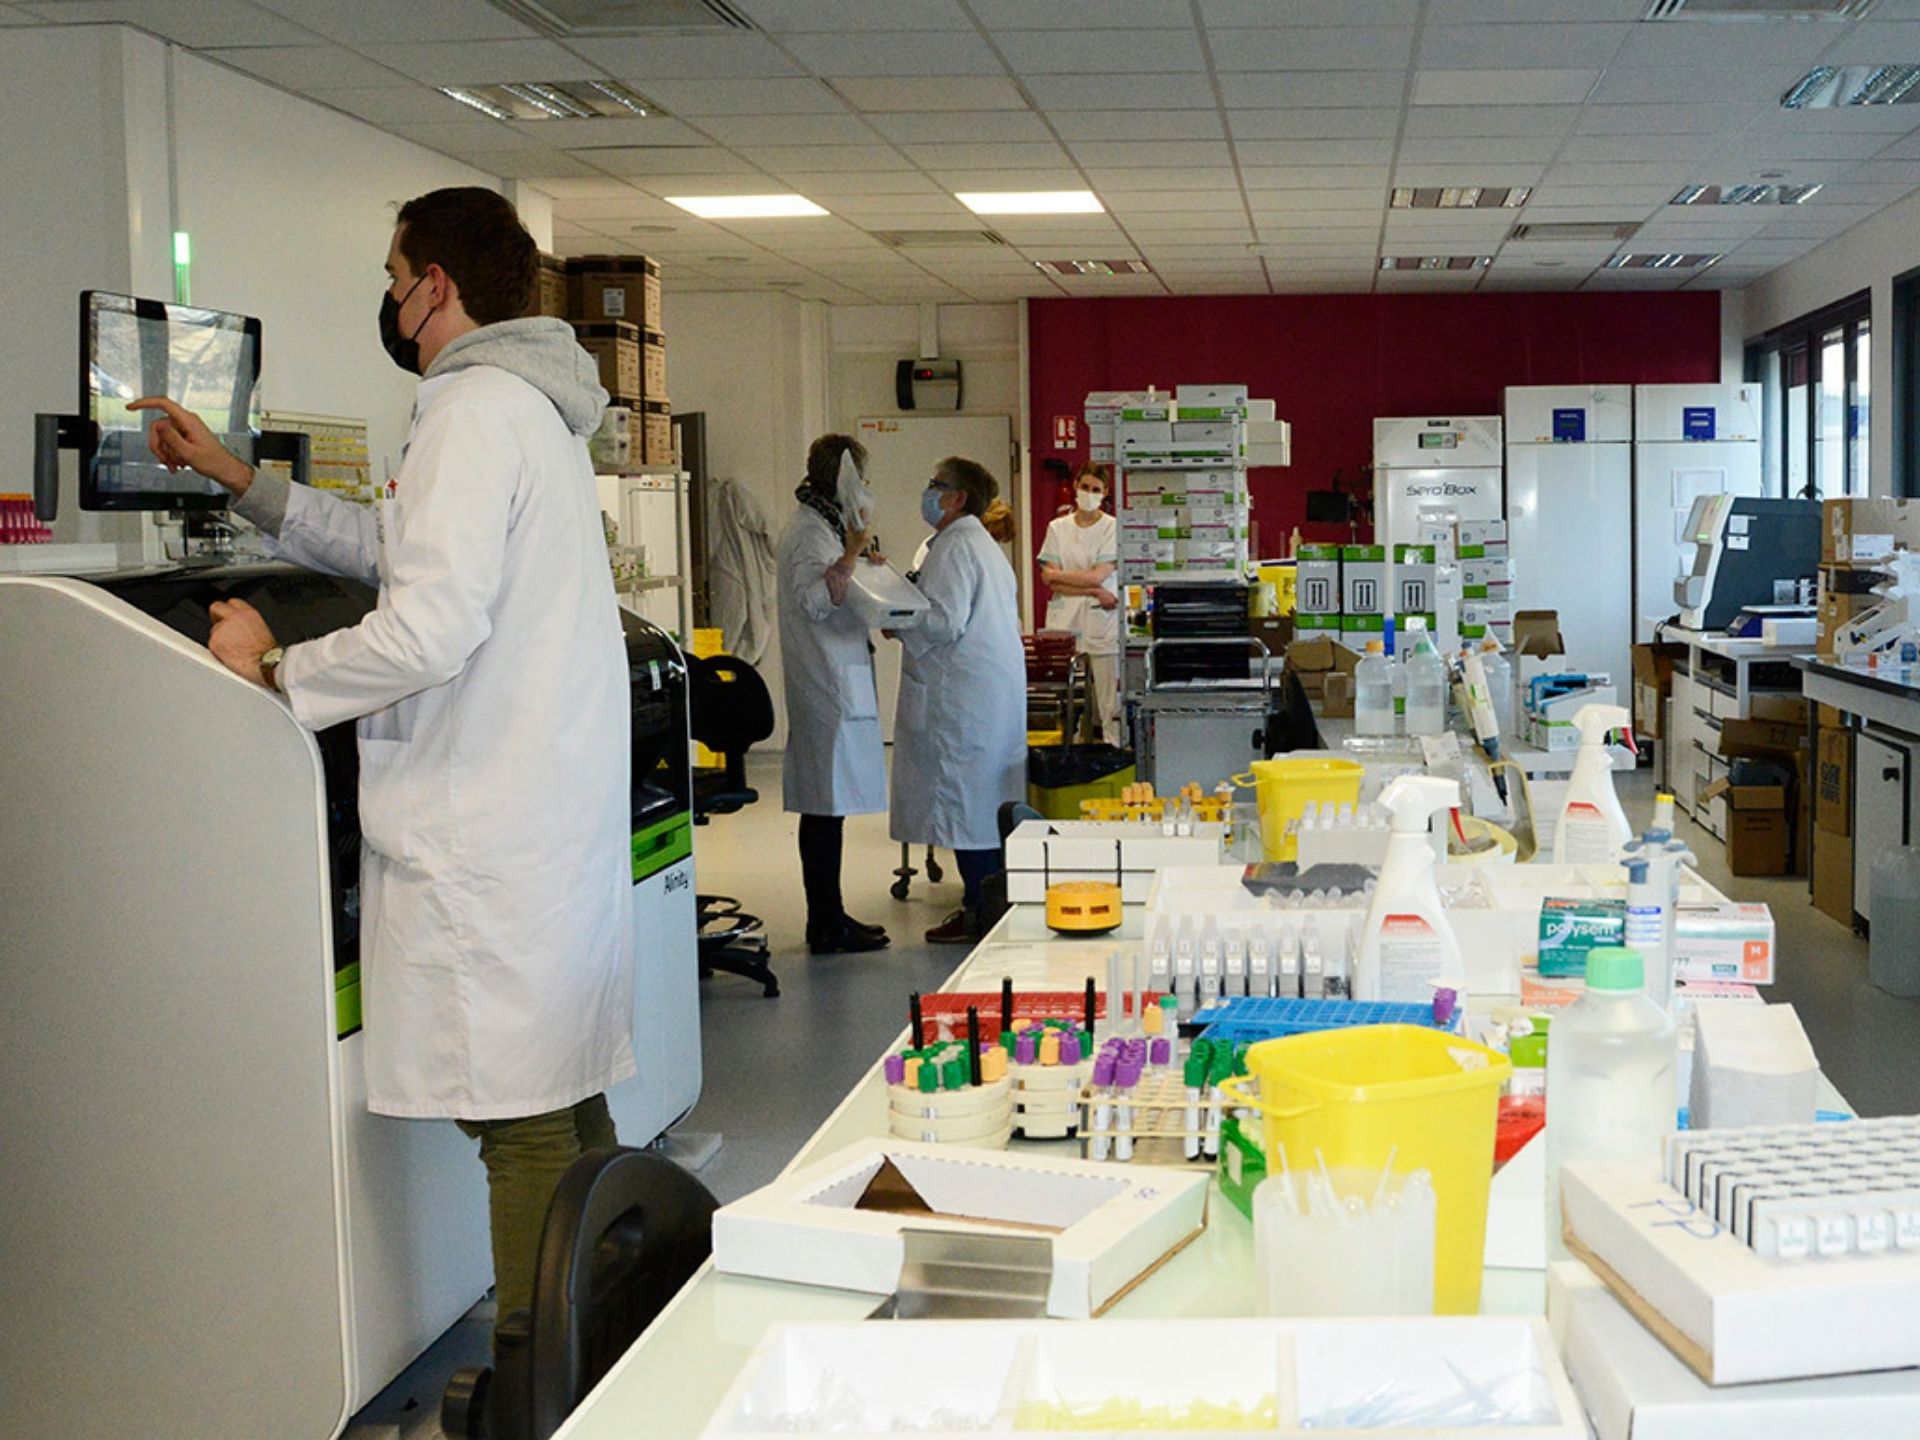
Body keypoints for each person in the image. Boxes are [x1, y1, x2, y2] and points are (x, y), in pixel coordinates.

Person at [128, 187, 632, 1338]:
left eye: (394, 276)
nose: (389, 296)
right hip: (541, 820)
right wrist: (241, 479)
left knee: (520, 1122)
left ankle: (541, 1383)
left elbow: (428, 628)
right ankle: (608, 1346)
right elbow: (400, 549)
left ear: (433, 286)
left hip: (488, 828)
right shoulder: (528, 407)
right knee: (563, 1099)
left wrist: (274, 670)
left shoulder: (470, 410)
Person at [890, 456, 1027, 945]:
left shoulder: (955, 546)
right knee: (983, 805)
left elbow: (943, 621)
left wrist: (895, 618)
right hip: (985, 696)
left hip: (964, 701)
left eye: (936, 484)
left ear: (957, 498)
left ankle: (978, 913)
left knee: (969, 809)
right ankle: (985, 907)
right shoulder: (977, 544)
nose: (928, 492)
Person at [777, 434, 890, 955]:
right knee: (824, 807)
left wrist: (863, 562)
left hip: (834, 674)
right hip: (824, 681)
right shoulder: (809, 533)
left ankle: (831, 915)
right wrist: (849, 555)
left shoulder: (824, 523)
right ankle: (824, 924)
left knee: (830, 805)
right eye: (859, 476)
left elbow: (842, 587)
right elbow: (815, 601)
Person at [1038, 463, 1121, 745]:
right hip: (1066, 620)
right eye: (1084, 487)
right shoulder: (1057, 527)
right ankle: (1069, 749)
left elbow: (1098, 574)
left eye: (1095, 489)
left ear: (1105, 492)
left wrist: (1064, 577)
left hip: (1102, 622)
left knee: (1108, 700)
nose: (1089, 493)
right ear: (1075, 485)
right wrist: (1095, 590)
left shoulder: (1112, 527)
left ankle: (1113, 749)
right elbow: (1049, 580)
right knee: (1068, 694)